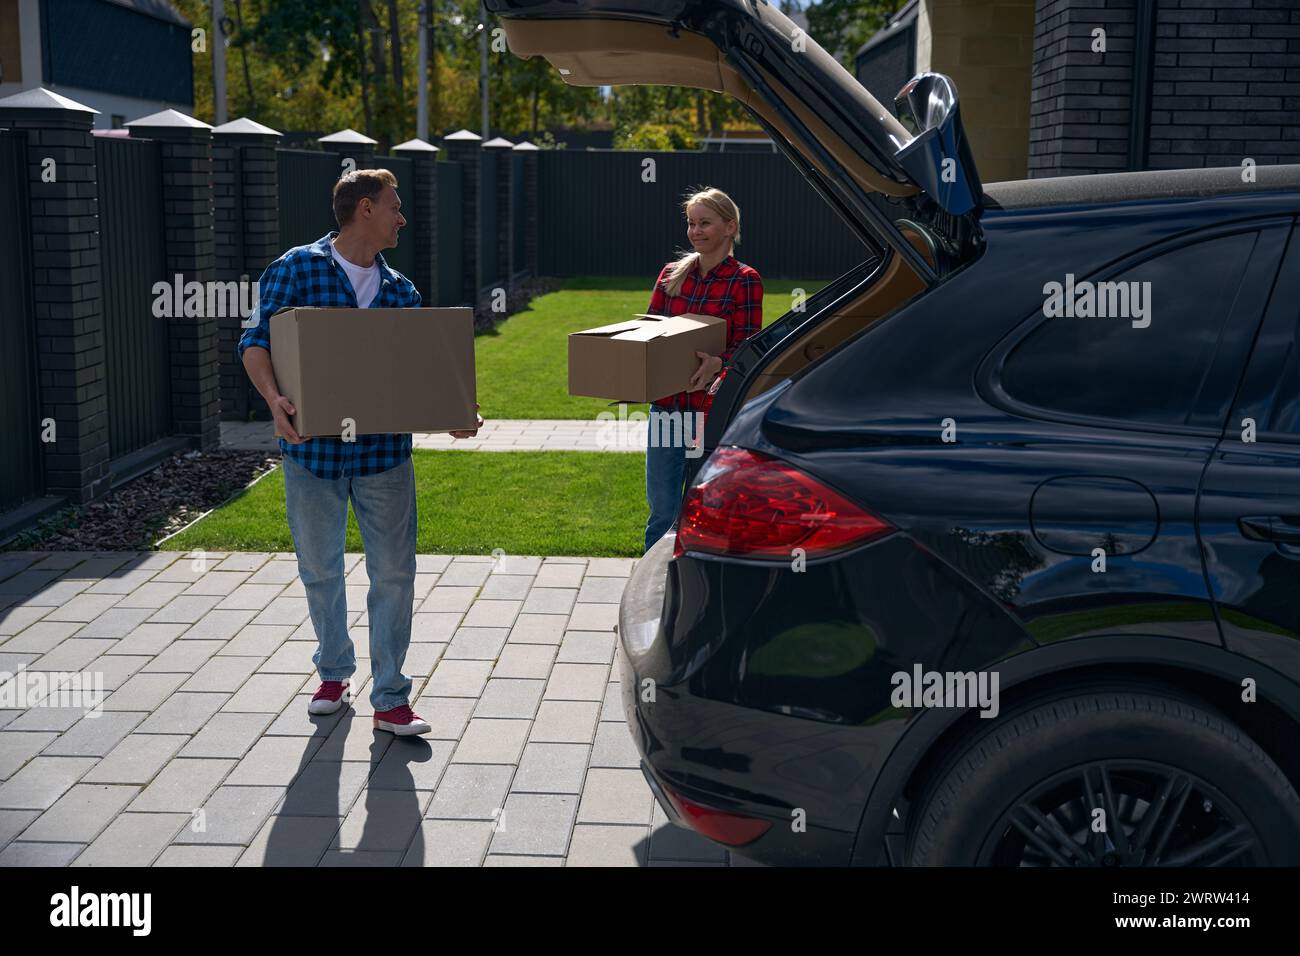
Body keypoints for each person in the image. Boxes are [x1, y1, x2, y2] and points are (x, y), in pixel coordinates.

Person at [237, 168, 482, 736]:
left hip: (383, 458)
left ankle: (391, 697)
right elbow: (254, 342)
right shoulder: (295, 269)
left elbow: (413, 376)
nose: (403, 218)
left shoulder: (402, 292)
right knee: (320, 568)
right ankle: (333, 673)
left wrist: (454, 412)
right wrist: (274, 400)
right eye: (395, 207)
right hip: (312, 455)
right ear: (365, 209)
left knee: (394, 574)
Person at [642, 187, 763, 553]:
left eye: (705, 223)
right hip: (666, 407)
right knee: (662, 510)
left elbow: (748, 345)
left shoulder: (745, 279)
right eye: (691, 223)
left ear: (730, 226)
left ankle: (693, 584)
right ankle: (653, 592)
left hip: (709, 412)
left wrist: (719, 363)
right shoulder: (672, 275)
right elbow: (649, 332)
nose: (695, 231)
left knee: (702, 508)